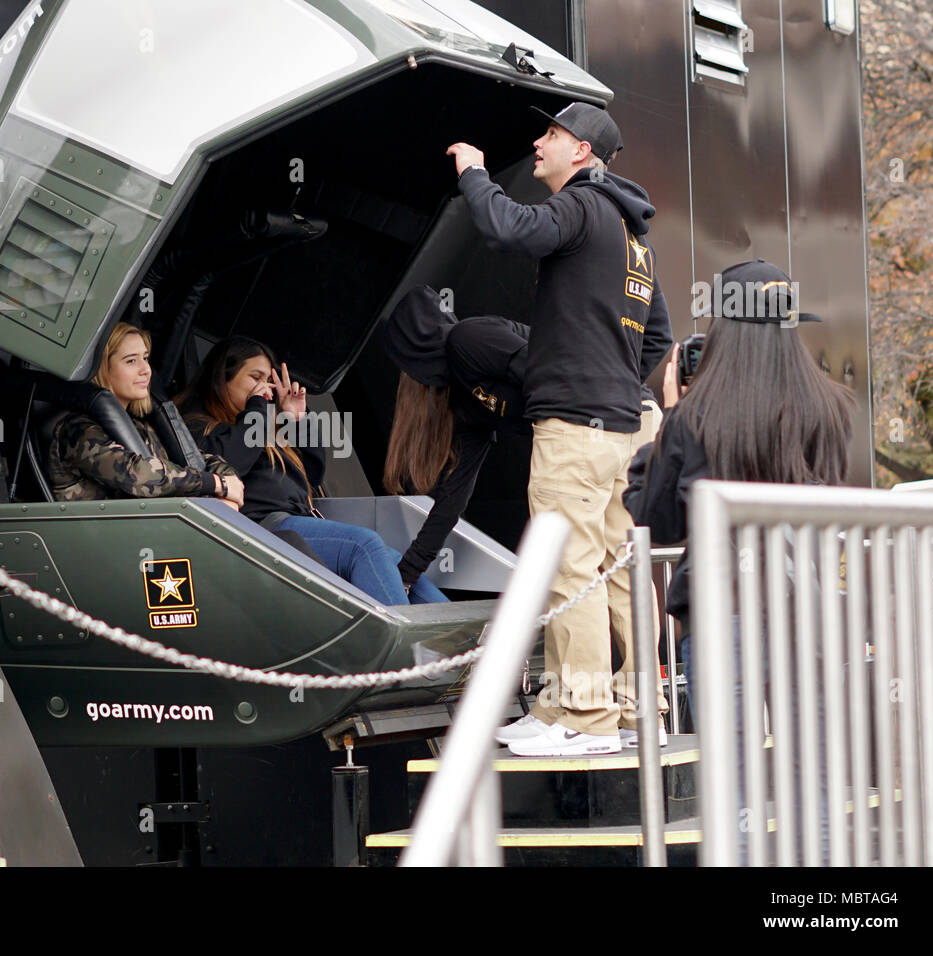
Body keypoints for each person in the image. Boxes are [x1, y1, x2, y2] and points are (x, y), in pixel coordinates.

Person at [447, 103, 673, 756]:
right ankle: (637, 709)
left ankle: (582, 716)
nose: (537, 144)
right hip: (622, 426)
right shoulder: (633, 235)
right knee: (617, 571)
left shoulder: (581, 205)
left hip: (576, 425)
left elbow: (507, 226)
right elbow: (655, 333)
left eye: (550, 134)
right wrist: (613, 378)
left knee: (570, 570)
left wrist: (474, 172)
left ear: (581, 152)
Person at [623, 258, 853, 860]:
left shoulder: (697, 416)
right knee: (819, 781)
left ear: (722, 334)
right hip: (810, 609)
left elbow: (654, 521)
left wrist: (670, 416)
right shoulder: (828, 407)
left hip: (723, 612)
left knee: (738, 788)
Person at [178, 335, 447, 606]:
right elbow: (233, 464)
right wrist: (257, 406)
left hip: (297, 525)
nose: (265, 388)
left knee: (398, 563)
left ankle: (458, 642)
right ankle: (405, 642)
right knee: (364, 545)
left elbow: (314, 472)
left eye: (269, 381)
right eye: (255, 377)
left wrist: (296, 419)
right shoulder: (202, 428)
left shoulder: (261, 429)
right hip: (262, 530)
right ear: (223, 379)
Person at [381, 285, 532, 593]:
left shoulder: (468, 339)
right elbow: (451, 502)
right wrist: (406, 574)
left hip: (597, 422)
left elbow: (551, 373)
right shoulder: (465, 408)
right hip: (574, 437)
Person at [48, 321, 244, 505]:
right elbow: (138, 475)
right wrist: (217, 484)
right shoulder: (78, 429)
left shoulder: (142, 427)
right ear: (101, 368)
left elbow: (199, 457)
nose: (146, 370)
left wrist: (228, 483)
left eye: (145, 358)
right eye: (131, 361)